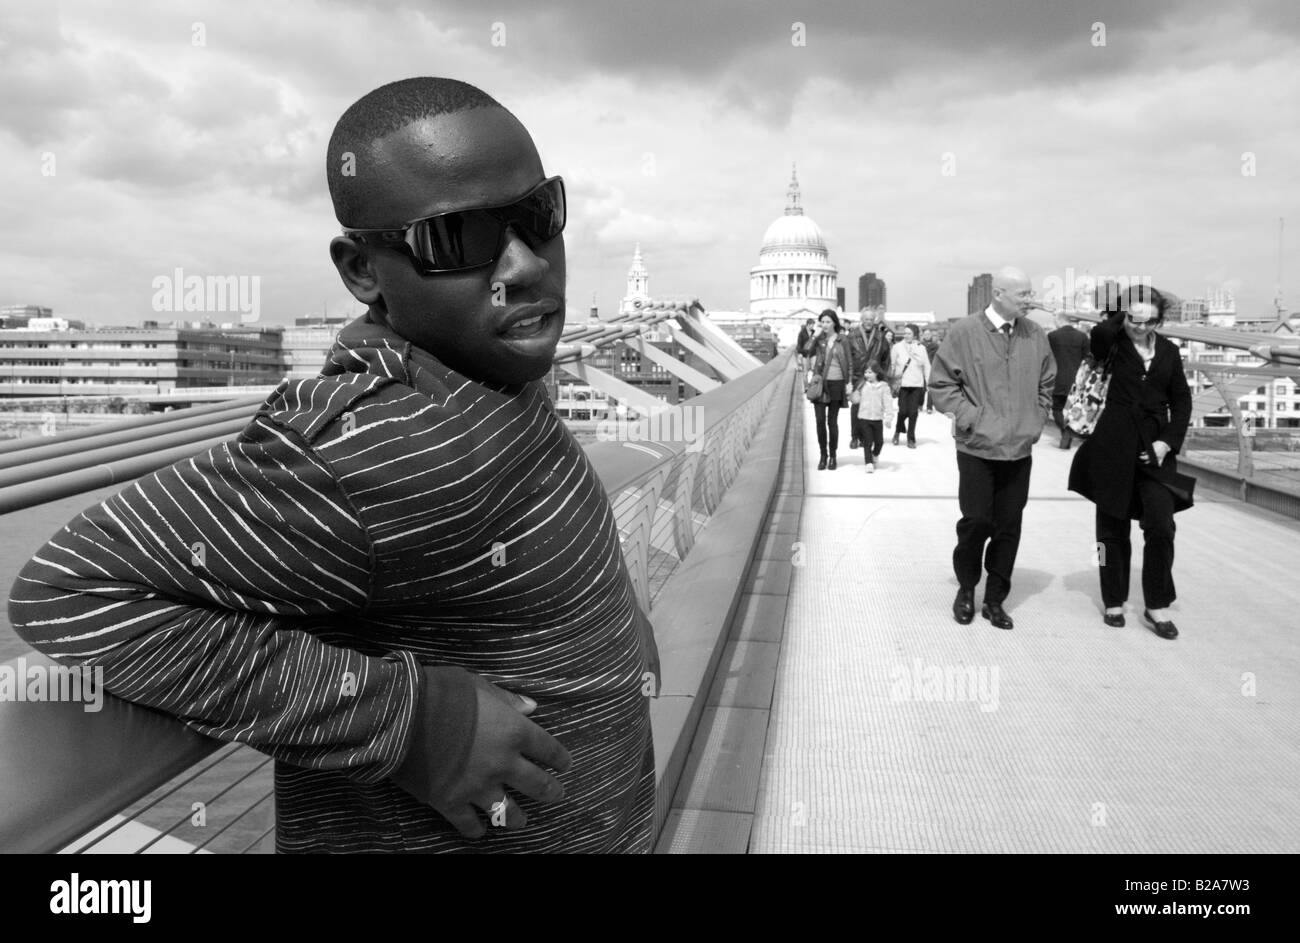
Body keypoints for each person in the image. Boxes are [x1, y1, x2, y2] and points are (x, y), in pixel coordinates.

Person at [9, 77, 660, 853]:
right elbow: (70, 591)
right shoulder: (368, 448)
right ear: (360, 270)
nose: (523, 264)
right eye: (458, 237)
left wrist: (613, 628)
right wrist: (411, 722)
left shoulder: (492, 366)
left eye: (538, 215)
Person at [929, 266, 1055, 630]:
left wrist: (1036, 418)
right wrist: (971, 418)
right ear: (999, 294)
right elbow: (941, 384)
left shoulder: (1035, 335)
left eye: (1030, 294)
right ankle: (967, 588)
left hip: (1019, 448)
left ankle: (995, 599)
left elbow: (1047, 380)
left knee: (1008, 526)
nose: (1031, 300)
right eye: (1024, 295)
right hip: (977, 447)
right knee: (976, 521)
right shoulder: (964, 333)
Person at [1068, 286, 1194, 639]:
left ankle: (1156, 603)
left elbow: (1181, 401)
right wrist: (1119, 314)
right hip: (1112, 444)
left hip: (1155, 449)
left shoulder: (1169, 351)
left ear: (1160, 320)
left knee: (1161, 525)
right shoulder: (1111, 342)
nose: (1140, 326)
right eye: (1134, 318)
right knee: (1110, 529)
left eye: (1149, 320)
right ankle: (1113, 599)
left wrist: (1166, 443)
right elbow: (1099, 336)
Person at [802, 308, 855, 470]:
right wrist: (814, 335)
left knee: (832, 422)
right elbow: (805, 350)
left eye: (828, 322)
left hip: (837, 383)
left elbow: (849, 362)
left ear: (834, 323)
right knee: (819, 421)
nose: (824, 325)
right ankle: (823, 455)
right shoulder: (818, 340)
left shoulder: (842, 340)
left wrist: (850, 382)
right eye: (822, 322)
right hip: (821, 384)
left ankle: (833, 456)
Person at [1047, 313, 1089, 448]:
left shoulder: (1052, 336)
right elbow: (1087, 358)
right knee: (1071, 409)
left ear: (1059, 321)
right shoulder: (1082, 337)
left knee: (1057, 408)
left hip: (1057, 378)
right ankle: (1068, 433)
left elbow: (1046, 357)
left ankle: (1065, 432)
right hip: (1077, 379)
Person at [890, 324, 931, 448]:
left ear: (915, 335)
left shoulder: (921, 348)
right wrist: (892, 380)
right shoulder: (897, 347)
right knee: (902, 411)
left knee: (913, 412)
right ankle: (897, 431)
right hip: (902, 384)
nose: (906, 335)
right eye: (905, 333)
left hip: (917, 384)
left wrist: (928, 382)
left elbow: (927, 366)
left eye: (909, 333)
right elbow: (892, 365)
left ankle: (911, 438)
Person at [854, 364, 895, 473]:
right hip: (864, 418)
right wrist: (852, 394)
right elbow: (855, 399)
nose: (867, 374)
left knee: (879, 442)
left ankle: (875, 454)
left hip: (877, 418)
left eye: (870, 372)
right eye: (866, 372)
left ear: (877, 373)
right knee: (867, 441)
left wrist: (889, 417)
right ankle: (868, 463)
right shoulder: (862, 385)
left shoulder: (884, 387)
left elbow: (888, 402)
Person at [921, 328, 941, 413]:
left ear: (931, 335)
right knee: (921, 387)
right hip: (921, 368)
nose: (927, 335)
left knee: (930, 388)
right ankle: (919, 405)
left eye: (928, 334)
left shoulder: (936, 346)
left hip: (931, 367)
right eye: (925, 334)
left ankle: (929, 407)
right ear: (923, 335)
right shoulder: (920, 345)